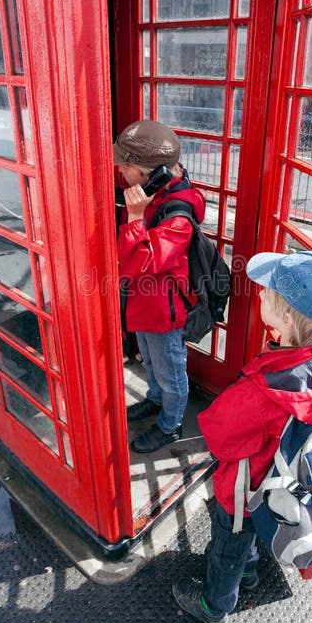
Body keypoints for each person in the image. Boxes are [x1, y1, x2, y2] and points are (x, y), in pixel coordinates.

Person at [172, 250, 312, 623]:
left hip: (244, 489)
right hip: (278, 488)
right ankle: (248, 572)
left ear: (286, 320)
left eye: (267, 294)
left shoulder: (263, 391)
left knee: (228, 543)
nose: (259, 295)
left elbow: (218, 435)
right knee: (244, 541)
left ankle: (215, 606)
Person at [114, 119, 206, 454]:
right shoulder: (154, 191)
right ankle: (155, 400)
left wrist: (135, 217)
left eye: (126, 165)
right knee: (150, 364)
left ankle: (170, 425)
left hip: (164, 311)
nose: (121, 171)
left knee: (170, 371)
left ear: (150, 172)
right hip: (143, 304)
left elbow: (138, 264)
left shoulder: (177, 217)